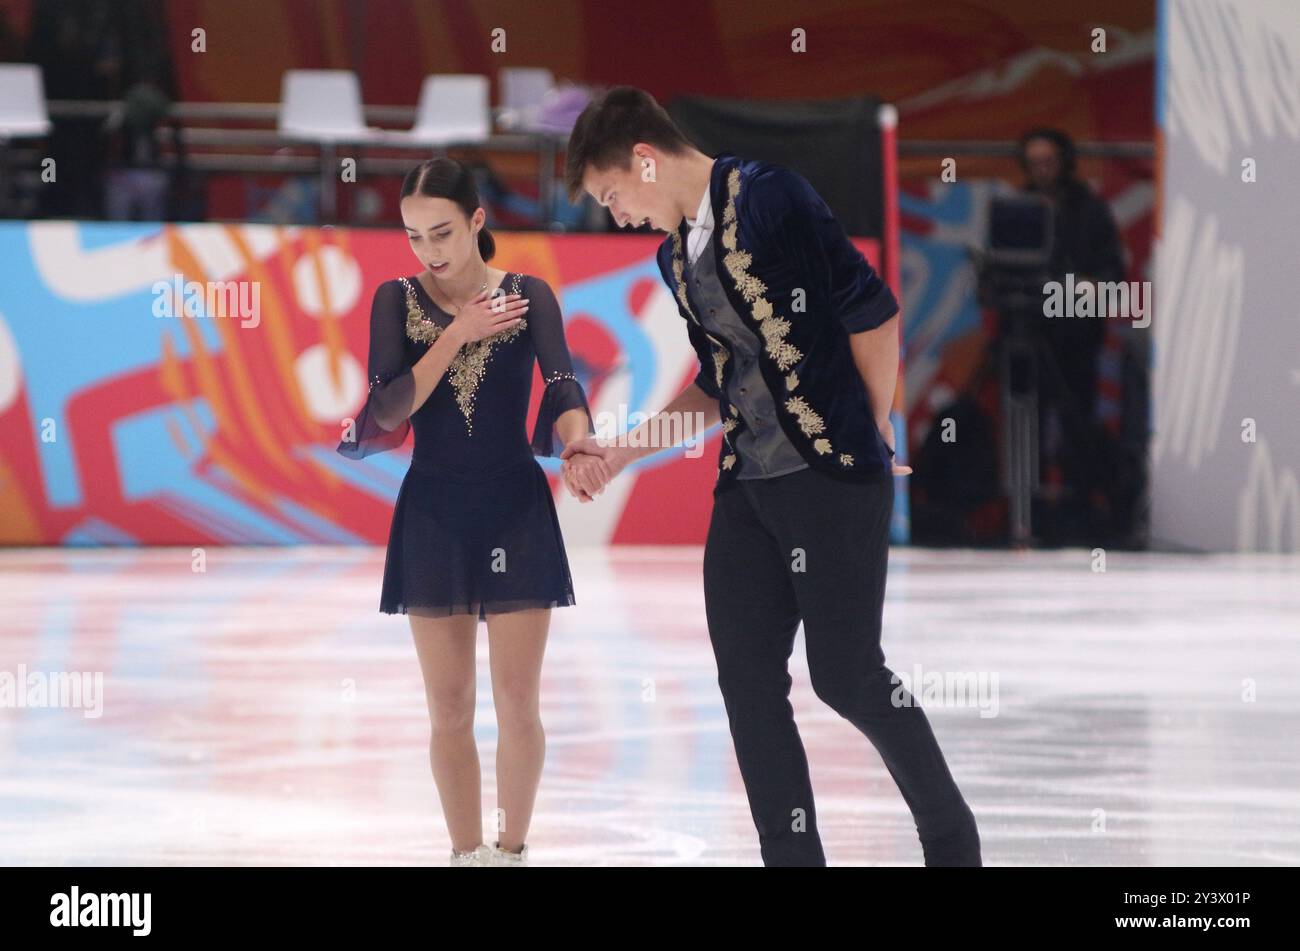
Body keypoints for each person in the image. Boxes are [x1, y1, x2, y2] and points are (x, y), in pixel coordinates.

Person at [560, 86, 981, 866]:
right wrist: (620, 452)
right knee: (748, 685)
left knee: (848, 677)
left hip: (830, 475)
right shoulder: (674, 254)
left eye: (611, 194)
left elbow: (874, 312)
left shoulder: (770, 196)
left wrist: (873, 427)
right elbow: (718, 382)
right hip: (749, 490)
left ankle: (952, 843)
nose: (614, 214)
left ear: (644, 161)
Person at [336, 158, 608, 866]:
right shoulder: (394, 301)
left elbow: (562, 384)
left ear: (478, 221)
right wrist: (457, 332)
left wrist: (579, 445)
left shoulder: (528, 296)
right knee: (449, 710)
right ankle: (466, 855)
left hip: (514, 507)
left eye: (444, 231)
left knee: (519, 706)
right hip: (433, 511)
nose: (430, 250)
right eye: (415, 236)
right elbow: (388, 406)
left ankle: (511, 851)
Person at [1017, 128, 1127, 544]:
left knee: (1077, 418)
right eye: (1034, 162)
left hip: (1075, 333)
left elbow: (1113, 275)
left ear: (1064, 161)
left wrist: (1081, 286)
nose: (1042, 170)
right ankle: (1030, 514)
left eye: (1049, 161)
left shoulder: (1090, 209)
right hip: (1028, 332)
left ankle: (1081, 507)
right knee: (1028, 421)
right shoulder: (1020, 206)